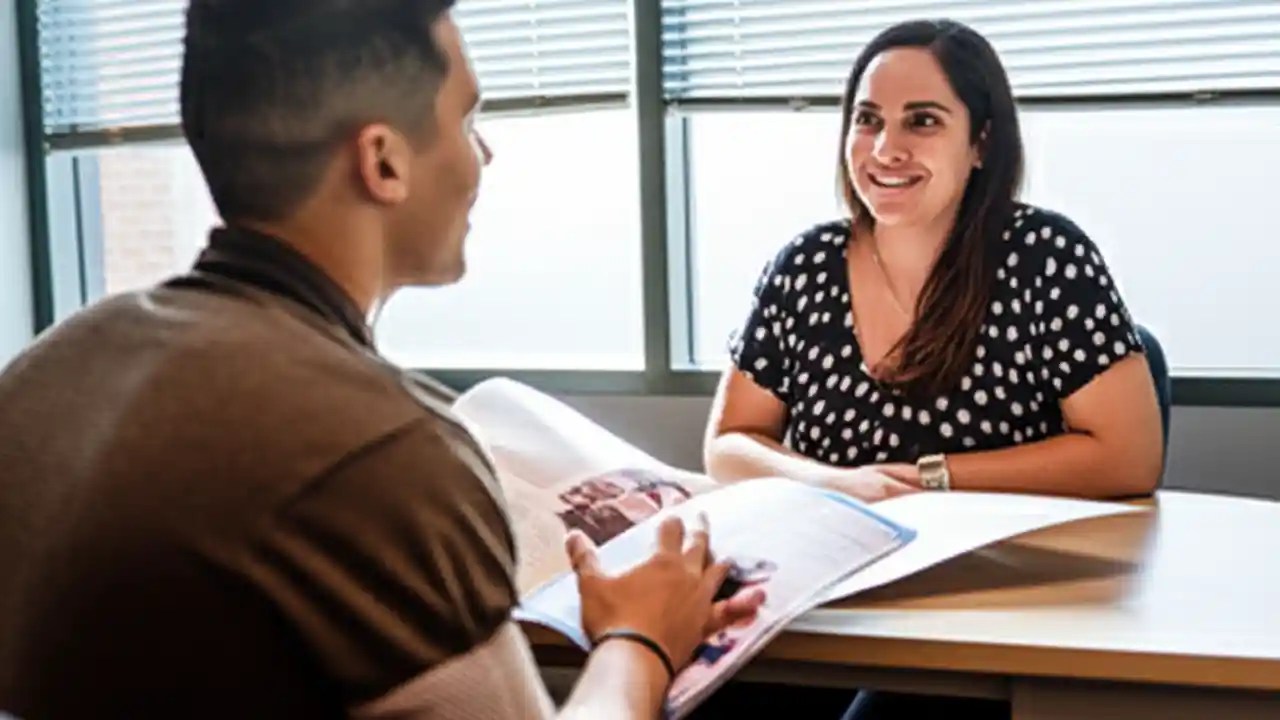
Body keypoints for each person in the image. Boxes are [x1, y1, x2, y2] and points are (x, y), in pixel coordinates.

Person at [0, 2, 765, 718]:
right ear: (384, 161)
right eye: (468, 119)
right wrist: (640, 640)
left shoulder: (46, 373)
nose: (483, 154)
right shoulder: (385, 450)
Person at [700, 18, 1163, 719]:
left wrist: (927, 481)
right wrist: (832, 482)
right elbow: (728, 442)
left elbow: (1129, 456)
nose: (887, 149)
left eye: (922, 121)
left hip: (990, 613)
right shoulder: (805, 266)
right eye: (868, 120)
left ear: (980, 143)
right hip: (829, 604)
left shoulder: (1046, 256)